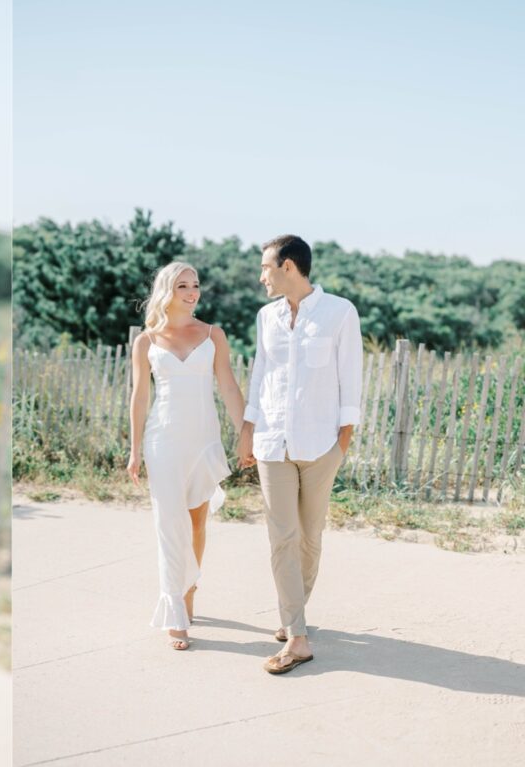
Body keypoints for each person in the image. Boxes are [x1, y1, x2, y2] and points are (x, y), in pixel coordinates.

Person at [237, 234, 363, 675]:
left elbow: (351, 378)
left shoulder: (340, 313)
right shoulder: (266, 317)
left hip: (321, 445)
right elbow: (260, 376)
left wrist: (342, 442)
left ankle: (295, 612)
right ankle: (297, 635)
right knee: (281, 536)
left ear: (288, 266)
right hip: (273, 443)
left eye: (265, 267)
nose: (261, 276)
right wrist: (248, 431)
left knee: (310, 537)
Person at [128, 261, 245, 650]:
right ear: (167, 289)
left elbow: (228, 385)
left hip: (204, 439)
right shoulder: (146, 341)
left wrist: (245, 431)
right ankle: (174, 609)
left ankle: (189, 589)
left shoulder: (213, 335)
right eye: (182, 285)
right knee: (169, 524)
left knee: (196, 523)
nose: (192, 292)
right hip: (162, 440)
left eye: (195, 285)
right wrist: (133, 449)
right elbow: (140, 396)